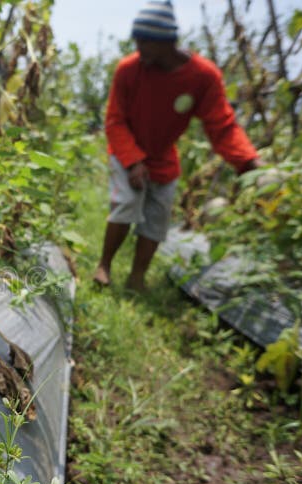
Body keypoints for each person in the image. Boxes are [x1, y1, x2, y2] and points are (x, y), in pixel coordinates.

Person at [94, 0, 263, 291]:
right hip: (127, 151)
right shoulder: (129, 69)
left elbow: (221, 126)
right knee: (126, 203)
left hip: (162, 157)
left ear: (166, 42)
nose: (138, 47)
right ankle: (104, 265)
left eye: (144, 42)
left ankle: (137, 277)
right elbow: (115, 121)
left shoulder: (203, 77)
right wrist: (134, 161)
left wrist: (248, 163)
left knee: (157, 221)